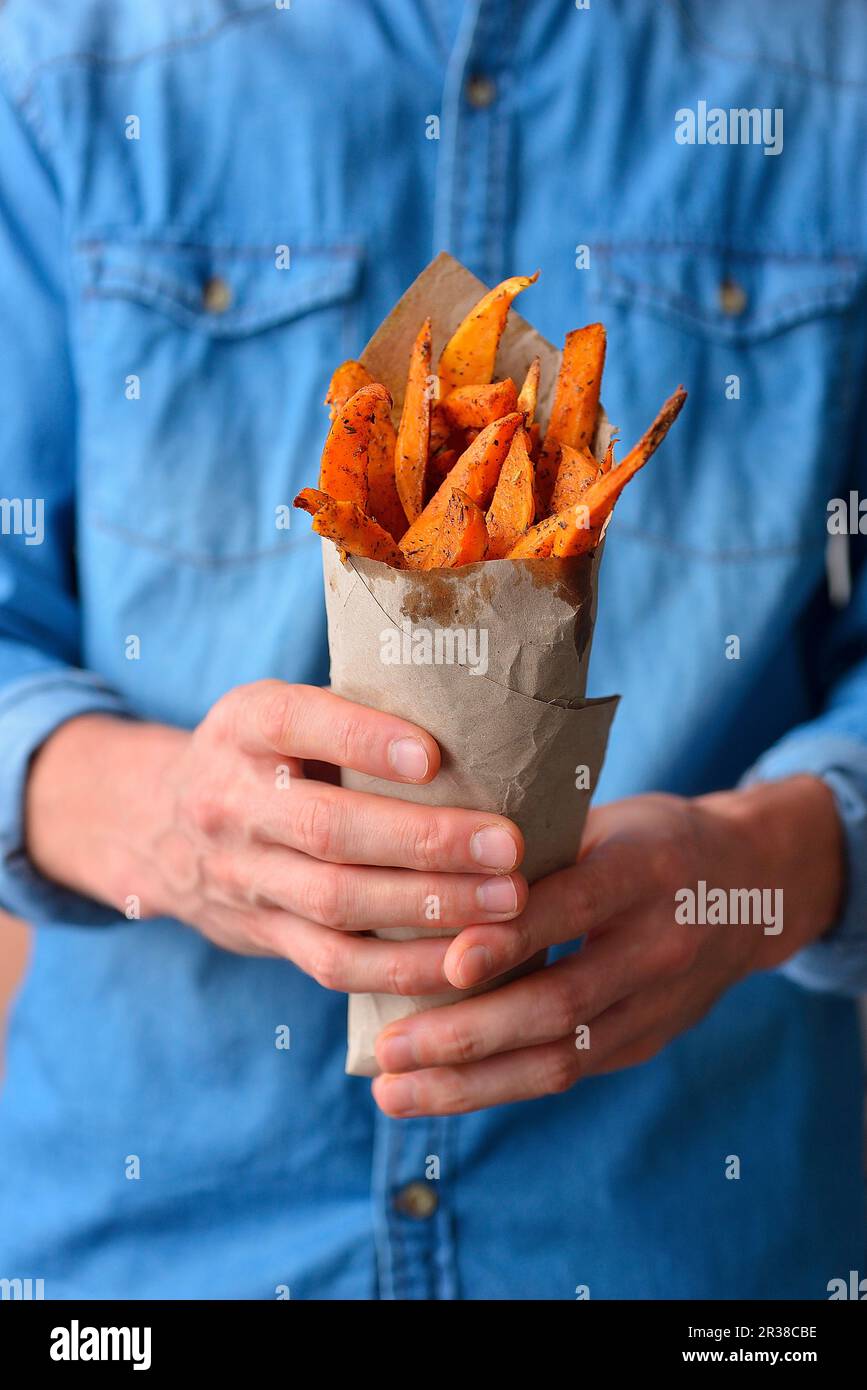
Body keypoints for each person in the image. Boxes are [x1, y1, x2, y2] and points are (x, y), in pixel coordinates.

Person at [0, 0, 864, 1301]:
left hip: (695, 1249)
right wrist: (162, 817)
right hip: (150, 1258)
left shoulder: (835, 69)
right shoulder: (66, 53)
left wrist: (764, 868)